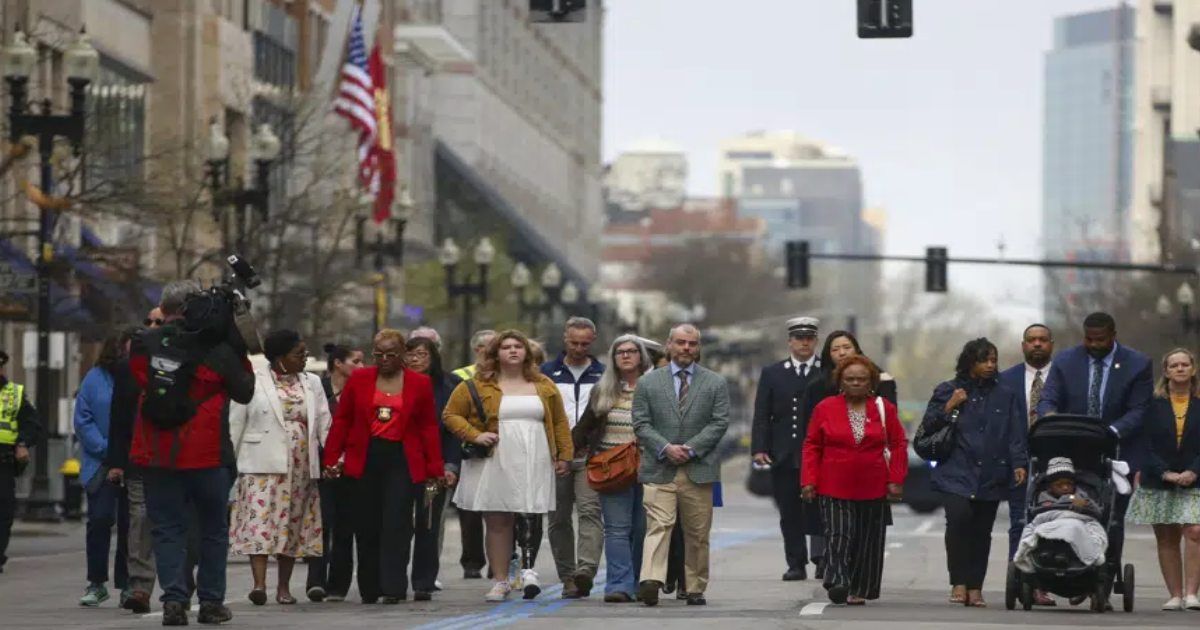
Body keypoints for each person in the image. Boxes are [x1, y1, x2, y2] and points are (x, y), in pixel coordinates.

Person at [127, 280, 256, 626]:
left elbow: (138, 382)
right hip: (207, 454)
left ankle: (173, 600)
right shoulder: (219, 351)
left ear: (165, 308)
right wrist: (234, 337)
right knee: (213, 530)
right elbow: (245, 391)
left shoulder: (143, 344)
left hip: (157, 454)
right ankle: (211, 602)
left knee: (166, 528)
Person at [443, 329, 573, 602]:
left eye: (518, 346)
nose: (513, 350)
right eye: (506, 347)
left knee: (530, 513)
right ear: (495, 353)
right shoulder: (477, 384)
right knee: (498, 520)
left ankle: (528, 571)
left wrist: (564, 456)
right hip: (495, 457)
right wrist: (475, 435)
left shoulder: (544, 385)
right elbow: (451, 414)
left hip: (534, 455)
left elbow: (560, 422)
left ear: (527, 352)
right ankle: (500, 580)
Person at [322, 329, 446, 603]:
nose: (385, 360)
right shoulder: (360, 379)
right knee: (366, 524)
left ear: (402, 354)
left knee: (397, 523)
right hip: (365, 456)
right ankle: (370, 587)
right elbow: (343, 420)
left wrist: (435, 468)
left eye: (391, 354)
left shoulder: (418, 383)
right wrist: (331, 458)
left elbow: (428, 427)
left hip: (402, 458)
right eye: (379, 355)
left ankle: (393, 587)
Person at [1036, 311, 1153, 599]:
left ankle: (1102, 577)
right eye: (1089, 339)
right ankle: (1073, 571)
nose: (1094, 344)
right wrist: (1049, 416)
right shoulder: (1066, 361)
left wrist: (1111, 431)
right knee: (1070, 509)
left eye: (1100, 339)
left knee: (1111, 516)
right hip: (1072, 449)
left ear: (1113, 335)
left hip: (1115, 450)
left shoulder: (1137, 364)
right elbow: (1049, 396)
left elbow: (1140, 410)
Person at [919, 338, 1027, 608]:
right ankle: (959, 581)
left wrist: (1019, 463)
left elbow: (1015, 432)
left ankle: (976, 587)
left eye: (993, 360)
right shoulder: (948, 390)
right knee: (959, 519)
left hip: (991, 471)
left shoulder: (1006, 393)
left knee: (982, 531)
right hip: (955, 470)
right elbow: (928, 426)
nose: (990, 365)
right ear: (970, 363)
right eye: (984, 360)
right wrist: (950, 406)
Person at [228, 330, 332, 606]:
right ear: (280, 358)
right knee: (260, 521)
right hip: (260, 463)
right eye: (299, 354)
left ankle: (283, 588)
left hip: (300, 467)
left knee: (292, 525)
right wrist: (228, 459)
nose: (304, 358)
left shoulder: (312, 382)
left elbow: (324, 423)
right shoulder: (254, 379)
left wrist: (333, 458)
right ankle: (259, 585)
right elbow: (236, 421)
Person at [633, 323, 730, 607]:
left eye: (691, 343)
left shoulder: (715, 383)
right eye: (680, 343)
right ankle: (651, 579)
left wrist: (691, 448)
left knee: (697, 533)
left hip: (698, 469)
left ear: (698, 348)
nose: (686, 348)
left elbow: (720, 421)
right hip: (659, 466)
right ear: (669, 345)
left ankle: (695, 586)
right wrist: (665, 447)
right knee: (658, 526)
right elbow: (641, 422)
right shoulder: (648, 383)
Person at [801, 355, 907, 605]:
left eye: (862, 379)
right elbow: (812, 445)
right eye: (850, 379)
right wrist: (809, 480)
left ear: (871, 382)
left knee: (867, 540)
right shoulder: (825, 408)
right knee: (838, 533)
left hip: (873, 485)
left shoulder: (884, 408)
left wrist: (896, 479)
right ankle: (838, 580)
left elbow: (899, 443)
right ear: (841, 381)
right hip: (834, 483)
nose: (856, 383)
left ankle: (859, 588)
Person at [573, 335, 653, 603]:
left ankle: (643, 581)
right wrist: (568, 453)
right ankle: (619, 585)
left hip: (649, 467)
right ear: (613, 358)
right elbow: (584, 428)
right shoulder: (603, 390)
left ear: (641, 356)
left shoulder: (654, 388)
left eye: (632, 351)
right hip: (612, 468)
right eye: (620, 352)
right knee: (616, 529)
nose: (626, 356)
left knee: (643, 529)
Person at [751, 316, 823, 582]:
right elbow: (762, 414)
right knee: (789, 512)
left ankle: (823, 559)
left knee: (819, 508)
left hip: (819, 454)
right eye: (799, 338)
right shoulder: (773, 372)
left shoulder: (826, 370)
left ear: (816, 341)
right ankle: (796, 562)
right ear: (790, 341)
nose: (804, 343)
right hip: (783, 453)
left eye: (809, 338)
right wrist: (760, 448)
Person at [1127, 348, 1200, 611]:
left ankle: (1192, 594)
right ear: (1166, 372)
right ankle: (1175, 594)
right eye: (1174, 365)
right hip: (1159, 478)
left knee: (1195, 531)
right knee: (1167, 537)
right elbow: (1143, 443)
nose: (1180, 369)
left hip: (1195, 479)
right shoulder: (1151, 403)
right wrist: (1164, 472)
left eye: (1185, 365)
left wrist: (1193, 471)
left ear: (1193, 369)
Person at [105, 311, 166, 613]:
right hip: (138, 456)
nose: (153, 327)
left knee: (175, 522)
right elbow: (118, 420)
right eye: (149, 321)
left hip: (176, 458)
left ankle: (178, 588)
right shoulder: (127, 369)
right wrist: (115, 462)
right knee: (139, 518)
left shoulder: (187, 361)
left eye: (160, 322)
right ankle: (139, 587)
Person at [541, 316, 606, 598]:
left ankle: (585, 570)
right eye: (573, 343)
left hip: (591, 456)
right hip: (556, 456)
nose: (578, 349)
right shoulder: (545, 373)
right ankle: (567, 575)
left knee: (590, 512)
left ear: (592, 342)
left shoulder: (603, 375)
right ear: (564, 340)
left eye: (584, 343)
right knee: (558, 518)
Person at [997, 323, 1056, 606]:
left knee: (1053, 520)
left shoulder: (1063, 378)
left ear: (1051, 344)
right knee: (1020, 520)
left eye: (1042, 340)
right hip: (1018, 462)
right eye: (1031, 340)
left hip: (1057, 461)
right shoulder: (1005, 380)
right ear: (1023, 345)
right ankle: (1020, 581)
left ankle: (1045, 583)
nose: (1036, 344)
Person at [74, 330, 133, 607]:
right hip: (100, 463)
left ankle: (127, 584)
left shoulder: (138, 377)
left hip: (133, 462)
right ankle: (96, 582)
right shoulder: (94, 379)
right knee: (99, 520)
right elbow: (83, 420)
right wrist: (110, 451)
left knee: (129, 525)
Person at [306, 342, 364, 602]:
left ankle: (338, 584)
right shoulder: (318, 389)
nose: (361, 367)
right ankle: (315, 580)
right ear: (338, 363)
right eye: (356, 361)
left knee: (345, 525)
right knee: (321, 523)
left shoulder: (361, 390)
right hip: (321, 465)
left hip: (351, 466)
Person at [405, 336, 462, 594]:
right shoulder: (395, 383)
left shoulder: (448, 386)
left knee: (428, 523)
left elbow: (453, 431)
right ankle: (394, 576)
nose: (415, 359)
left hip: (434, 468)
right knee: (399, 523)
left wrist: (450, 465)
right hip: (401, 464)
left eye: (421, 354)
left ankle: (423, 581)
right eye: (411, 354)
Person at [450, 328, 496, 579]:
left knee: (499, 510)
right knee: (469, 510)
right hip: (469, 450)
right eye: (487, 347)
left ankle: (499, 560)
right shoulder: (460, 377)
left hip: (499, 450)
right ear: (477, 350)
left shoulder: (509, 376)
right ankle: (472, 561)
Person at [0, 349, 41, 575]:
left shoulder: (14, 394)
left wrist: (23, 443)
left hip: (3, 462)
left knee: (3, 512)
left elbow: (32, 423)